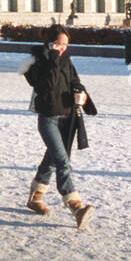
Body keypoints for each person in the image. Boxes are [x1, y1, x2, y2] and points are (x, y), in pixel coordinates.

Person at [19, 25, 95, 229]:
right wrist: (53, 58)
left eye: (65, 45)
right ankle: (76, 206)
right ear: (50, 43)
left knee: (51, 161)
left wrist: (82, 94)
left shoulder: (66, 60)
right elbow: (48, 85)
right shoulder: (35, 65)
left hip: (67, 117)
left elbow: (75, 82)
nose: (62, 48)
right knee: (62, 161)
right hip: (48, 120)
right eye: (59, 44)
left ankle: (35, 198)